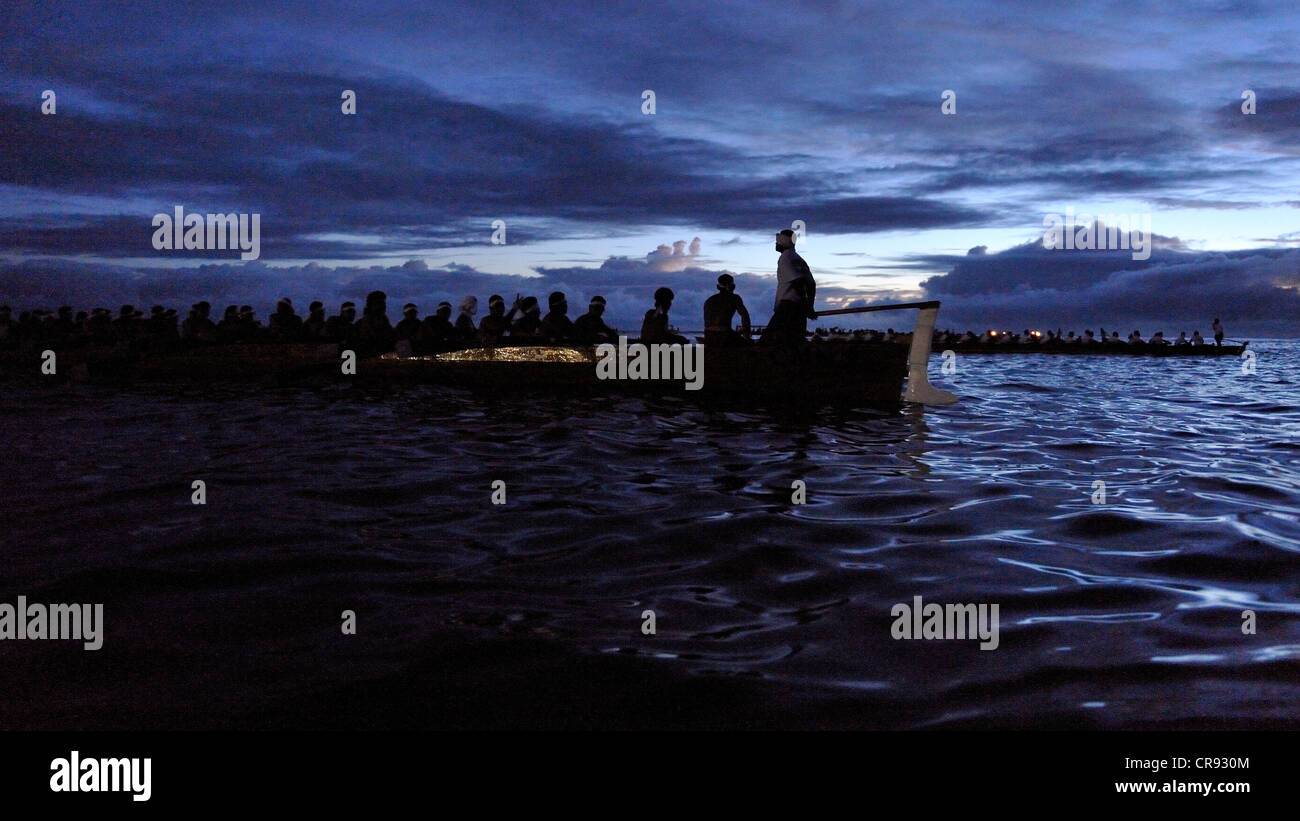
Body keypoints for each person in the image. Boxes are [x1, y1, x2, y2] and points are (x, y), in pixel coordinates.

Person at [760, 228, 815, 345]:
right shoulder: (799, 259)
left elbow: (798, 282)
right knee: (794, 342)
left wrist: (806, 306)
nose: (775, 243)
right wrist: (809, 306)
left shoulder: (785, 258)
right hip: (798, 307)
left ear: (783, 242)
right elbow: (811, 285)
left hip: (788, 306)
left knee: (767, 341)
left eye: (777, 241)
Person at [703, 273, 751, 347]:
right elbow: (745, 316)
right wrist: (747, 337)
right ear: (733, 286)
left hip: (709, 336)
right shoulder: (734, 298)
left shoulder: (709, 300)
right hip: (724, 336)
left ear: (718, 287)